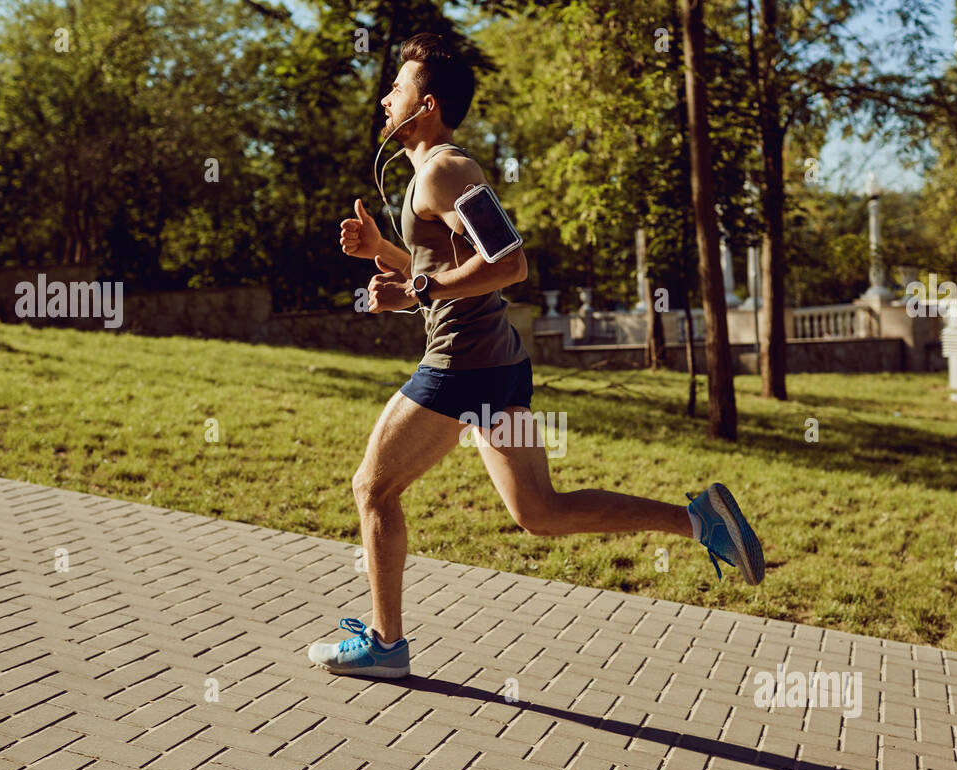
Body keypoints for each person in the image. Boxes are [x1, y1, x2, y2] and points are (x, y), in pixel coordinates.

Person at [308, 33, 764, 679]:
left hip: (461, 367)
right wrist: (389, 258)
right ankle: (697, 521)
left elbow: (509, 263)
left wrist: (421, 287)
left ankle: (386, 645)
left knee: (372, 488)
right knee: (540, 513)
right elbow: (443, 274)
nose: (385, 98)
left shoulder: (445, 168)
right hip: (495, 364)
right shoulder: (426, 178)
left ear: (427, 103)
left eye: (397, 88)